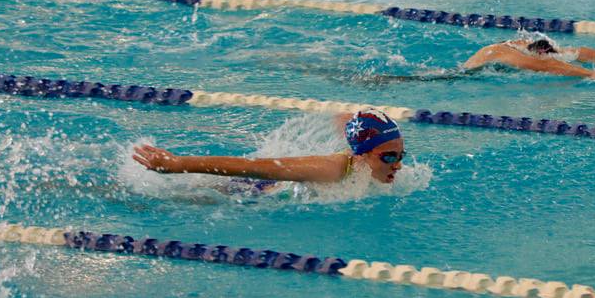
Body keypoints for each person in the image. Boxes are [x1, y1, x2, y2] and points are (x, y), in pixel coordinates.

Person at [132, 108, 406, 187]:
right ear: (362, 154)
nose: (398, 165)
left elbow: (350, 121)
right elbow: (255, 168)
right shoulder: (332, 169)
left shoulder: (366, 167)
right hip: (248, 195)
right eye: (389, 156)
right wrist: (178, 164)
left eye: (401, 156)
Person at [462, 37, 595, 80]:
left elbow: (579, 52)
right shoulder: (514, 57)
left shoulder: (527, 44)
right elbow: (550, 66)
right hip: (466, 75)